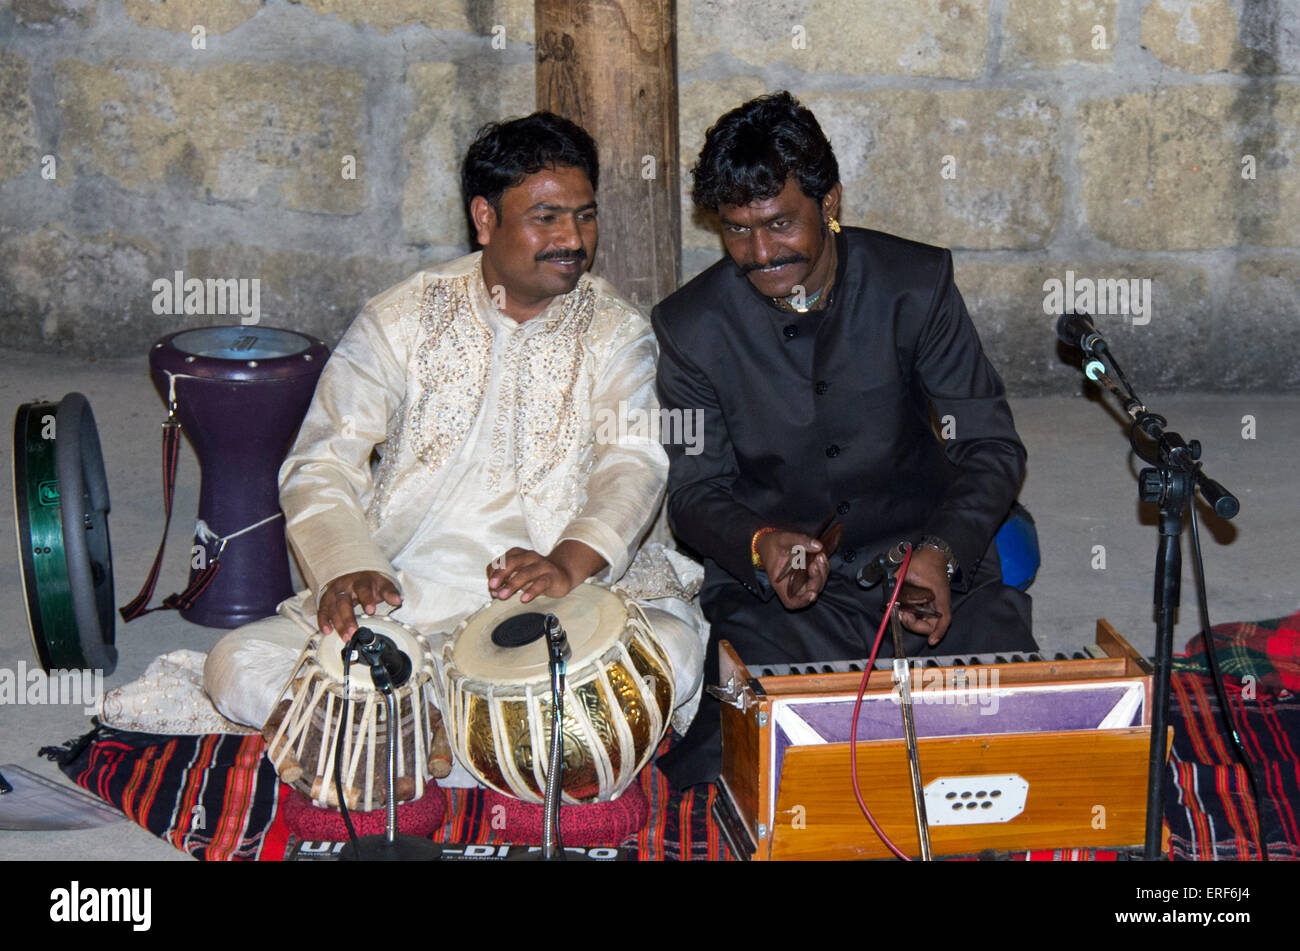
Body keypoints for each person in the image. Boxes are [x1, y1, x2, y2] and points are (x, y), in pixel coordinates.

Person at [203, 112, 706, 787]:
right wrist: (348, 566)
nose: (572, 239)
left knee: (674, 653)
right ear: (484, 218)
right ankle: (472, 742)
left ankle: (394, 736)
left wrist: (569, 560)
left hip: (556, 599)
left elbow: (634, 460)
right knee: (234, 665)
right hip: (406, 596)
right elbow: (322, 460)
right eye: (547, 218)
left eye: (585, 217)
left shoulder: (615, 331)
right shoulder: (402, 317)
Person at [651, 91, 1037, 789]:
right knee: (739, 767)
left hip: (925, 573)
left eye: (780, 224)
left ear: (829, 201)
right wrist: (762, 544)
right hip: (789, 602)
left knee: (1016, 738)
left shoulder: (914, 285)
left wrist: (943, 553)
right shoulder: (692, 328)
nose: (760, 254)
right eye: (737, 231)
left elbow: (989, 445)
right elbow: (695, 493)